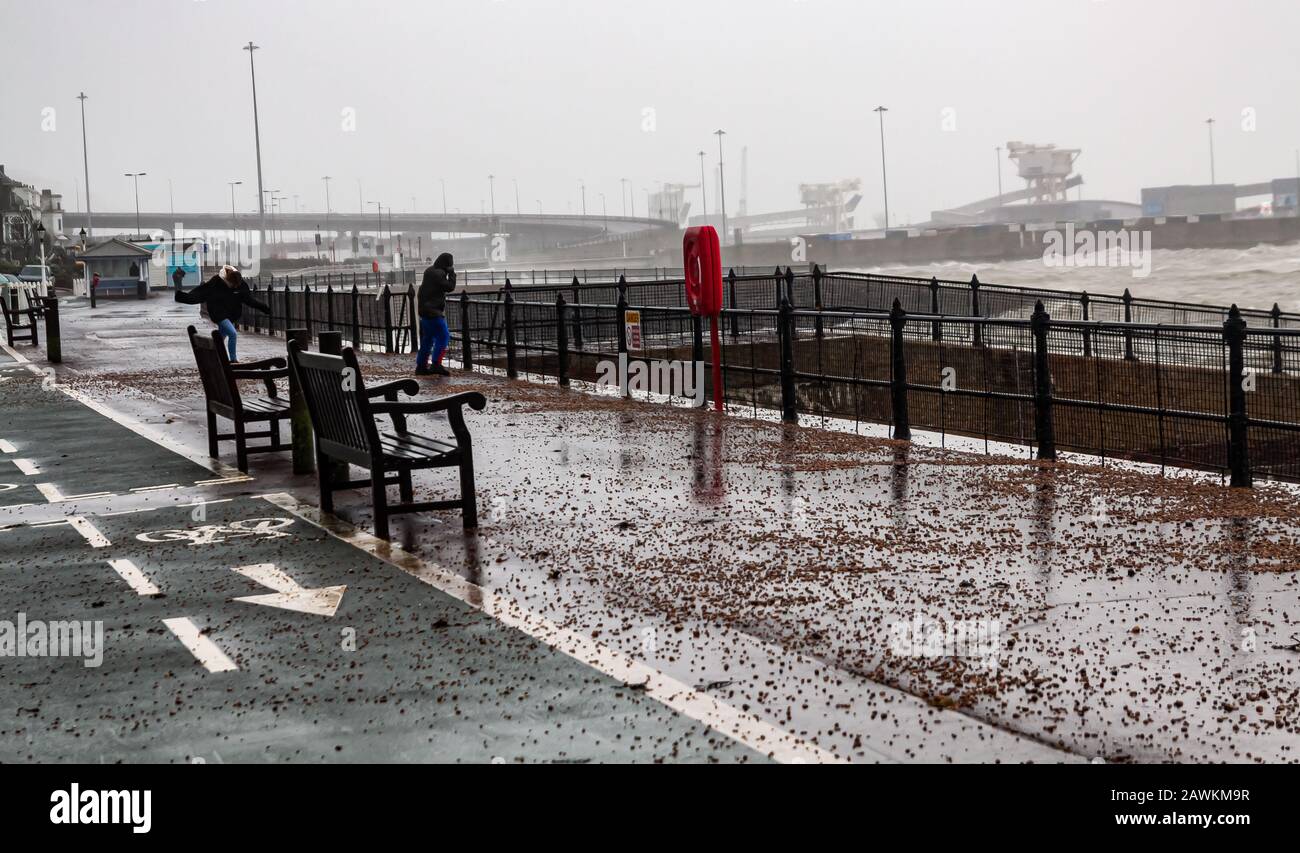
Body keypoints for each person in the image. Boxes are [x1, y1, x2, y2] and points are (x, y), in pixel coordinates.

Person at [174, 264, 269, 362]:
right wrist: (181, 296)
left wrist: (263, 307)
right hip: (219, 314)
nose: (233, 287)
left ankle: (213, 357)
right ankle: (233, 360)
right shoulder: (215, 282)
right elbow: (200, 293)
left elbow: (249, 300)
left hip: (231, 315)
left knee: (220, 338)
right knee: (233, 334)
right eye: (232, 285)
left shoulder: (240, 284)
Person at [416, 253, 456, 376]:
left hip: (424, 310)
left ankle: (421, 366)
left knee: (427, 339)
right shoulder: (439, 274)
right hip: (433, 311)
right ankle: (436, 364)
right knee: (443, 336)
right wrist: (452, 274)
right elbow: (450, 287)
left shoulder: (429, 271)